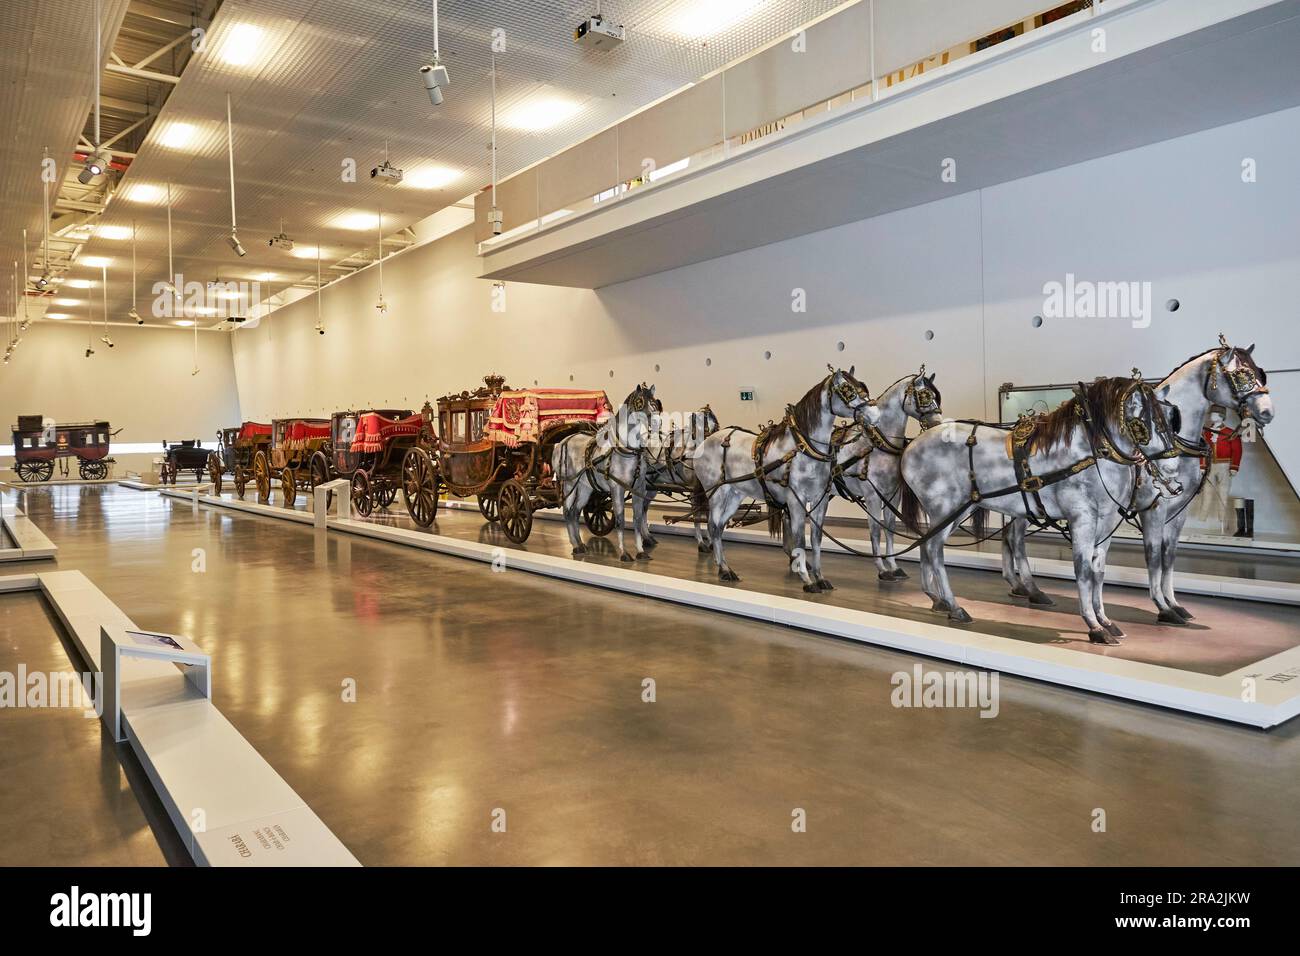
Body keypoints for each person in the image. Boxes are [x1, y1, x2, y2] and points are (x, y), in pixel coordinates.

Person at [1193, 405, 1243, 534]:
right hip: (1210, 466)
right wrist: (1202, 466)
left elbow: (1237, 451)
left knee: (1223, 494)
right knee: (1206, 493)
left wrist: (1234, 467)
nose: (1211, 416)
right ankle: (1202, 520)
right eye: (1211, 414)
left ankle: (1222, 520)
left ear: (1221, 416)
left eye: (1214, 414)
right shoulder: (1206, 433)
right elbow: (1203, 450)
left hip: (1224, 466)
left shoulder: (1230, 433)